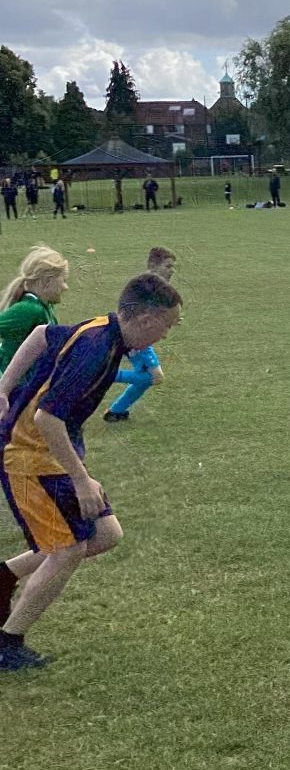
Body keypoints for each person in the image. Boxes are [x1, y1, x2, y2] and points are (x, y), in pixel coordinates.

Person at [0, 271, 182, 670]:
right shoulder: (97, 349)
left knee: (105, 534)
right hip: (27, 456)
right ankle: (7, 642)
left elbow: (41, 336)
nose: (166, 336)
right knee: (67, 550)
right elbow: (49, 419)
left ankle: (4, 577)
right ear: (148, 320)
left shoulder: (103, 327)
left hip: (49, 453)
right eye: (167, 326)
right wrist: (81, 478)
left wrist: (3, 384)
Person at [104, 248, 176, 423]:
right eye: (168, 266)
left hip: (140, 339)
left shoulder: (158, 288)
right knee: (155, 377)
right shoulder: (144, 287)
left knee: (144, 379)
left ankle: (117, 410)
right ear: (153, 265)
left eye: (173, 266)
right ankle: (104, 374)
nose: (172, 270)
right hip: (138, 341)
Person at [0, 247, 69, 373]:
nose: (66, 287)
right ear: (47, 282)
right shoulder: (29, 309)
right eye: (63, 280)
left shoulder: (46, 307)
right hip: (14, 386)